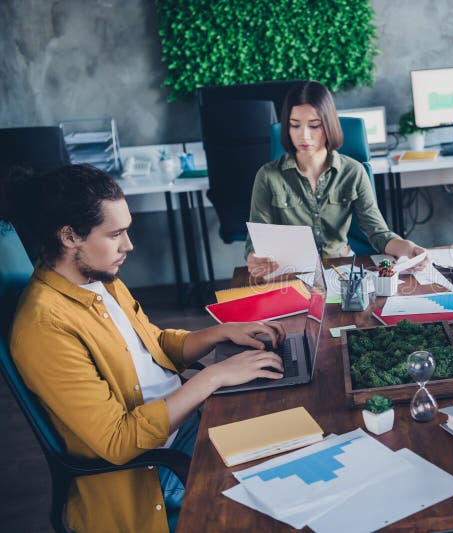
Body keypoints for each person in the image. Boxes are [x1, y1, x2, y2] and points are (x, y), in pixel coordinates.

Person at [2, 164, 287, 533]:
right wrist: (214, 378)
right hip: (156, 470)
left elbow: (153, 346)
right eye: (115, 234)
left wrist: (222, 333)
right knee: (281, 485)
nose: (128, 245)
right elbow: (118, 442)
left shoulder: (98, 278)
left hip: (185, 422)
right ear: (69, 236)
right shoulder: (44, 327)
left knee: (291, 417)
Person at [245, 80, 427, 278]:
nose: (304, 136)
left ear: (328, 125)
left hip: (340, 269)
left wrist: (407, 247)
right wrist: (254, 258)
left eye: (314, 126)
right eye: (295, 125)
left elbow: (378, 233)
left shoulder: (353, 172)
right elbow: (257, 241)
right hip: (290, 273)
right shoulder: (268, 176)